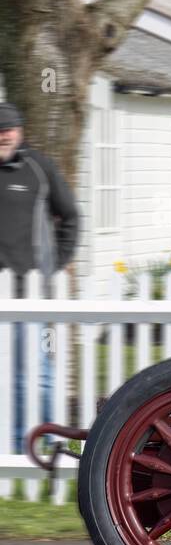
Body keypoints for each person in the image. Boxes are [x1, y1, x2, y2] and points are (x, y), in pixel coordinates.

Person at [0, 102, 80, 451]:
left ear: (20, 132)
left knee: (36, 374)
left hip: (31, 292)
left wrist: (56, 264)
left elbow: (71, 216)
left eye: (9, 129)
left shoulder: (39, 168)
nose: (3, 135)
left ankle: (38, 444)